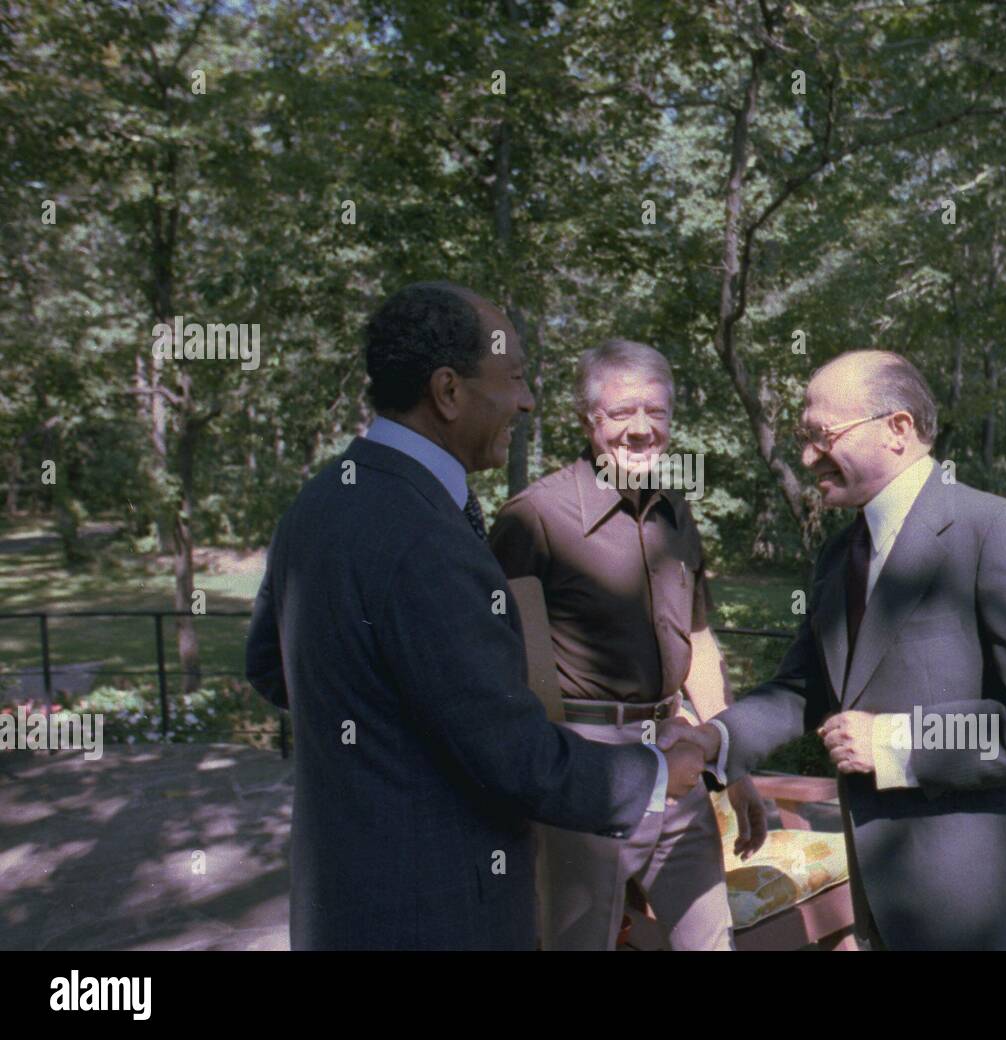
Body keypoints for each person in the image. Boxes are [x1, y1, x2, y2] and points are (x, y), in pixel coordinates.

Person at [245, 282, 704, 951]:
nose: (526, 400)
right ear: (449, 392)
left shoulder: (319, 502)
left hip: (342, 900)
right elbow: (510, 754)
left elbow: (270, 665)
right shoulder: (426, 537)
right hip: (438, 909)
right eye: (515, 378)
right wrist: (660, 772)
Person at [659, 349, 1006, 950]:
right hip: (892, 901)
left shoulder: (1001, 533)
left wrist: (900, 741)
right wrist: (714, 741)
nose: (806, 456)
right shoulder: (840, 555)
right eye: (803, 438)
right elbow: (805, 687)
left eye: (821, 436)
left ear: (897, 429)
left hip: (1000, 909)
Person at [489, 339, 765, 951]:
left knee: (711, 942)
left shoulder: (677, 513)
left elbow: (697, 638)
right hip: (584, 769)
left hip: (679, 753)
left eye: (658, 412)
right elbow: (495, 666)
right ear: (589, 421)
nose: (642, 431)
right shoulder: (533, 519)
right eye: (621, 414)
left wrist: (733, 765)